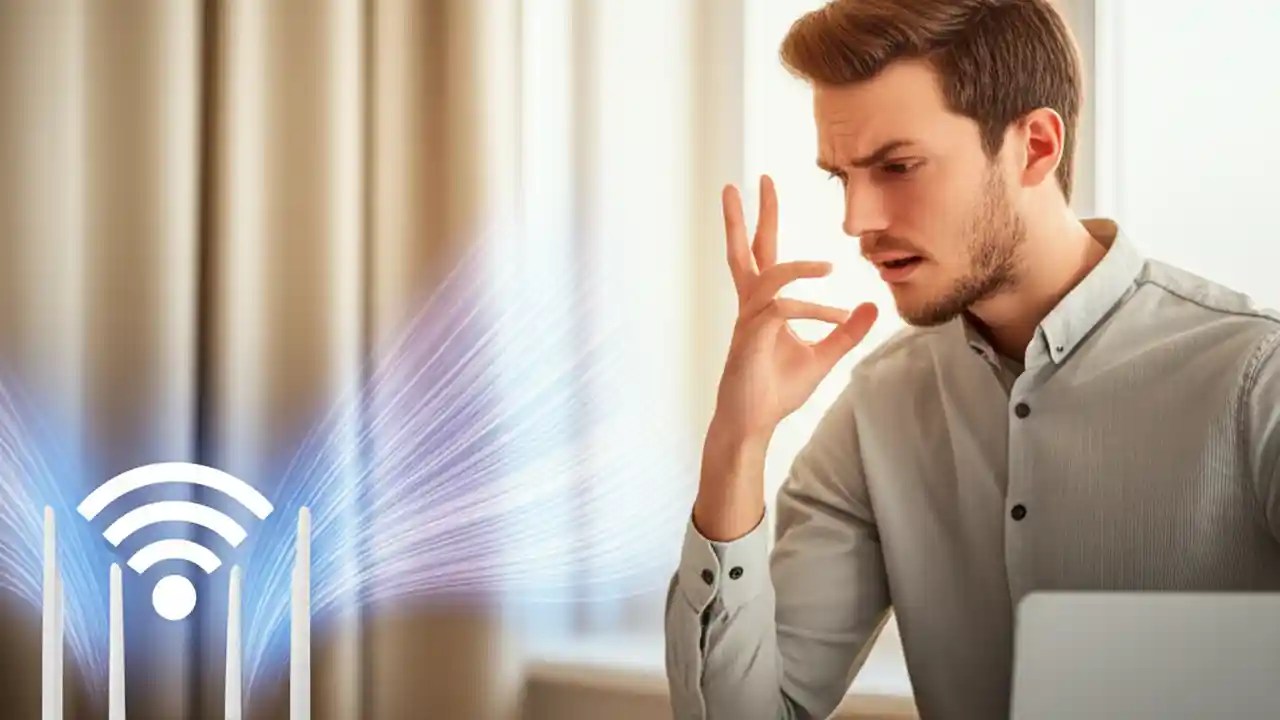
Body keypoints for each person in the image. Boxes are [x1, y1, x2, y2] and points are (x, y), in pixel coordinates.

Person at [663, 1, 1280, 718]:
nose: (857, 221)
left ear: (1035, 147)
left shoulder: (1255, 378)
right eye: (842, 176)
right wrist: (737, 443)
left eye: (897, 166)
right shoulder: (877, 411)